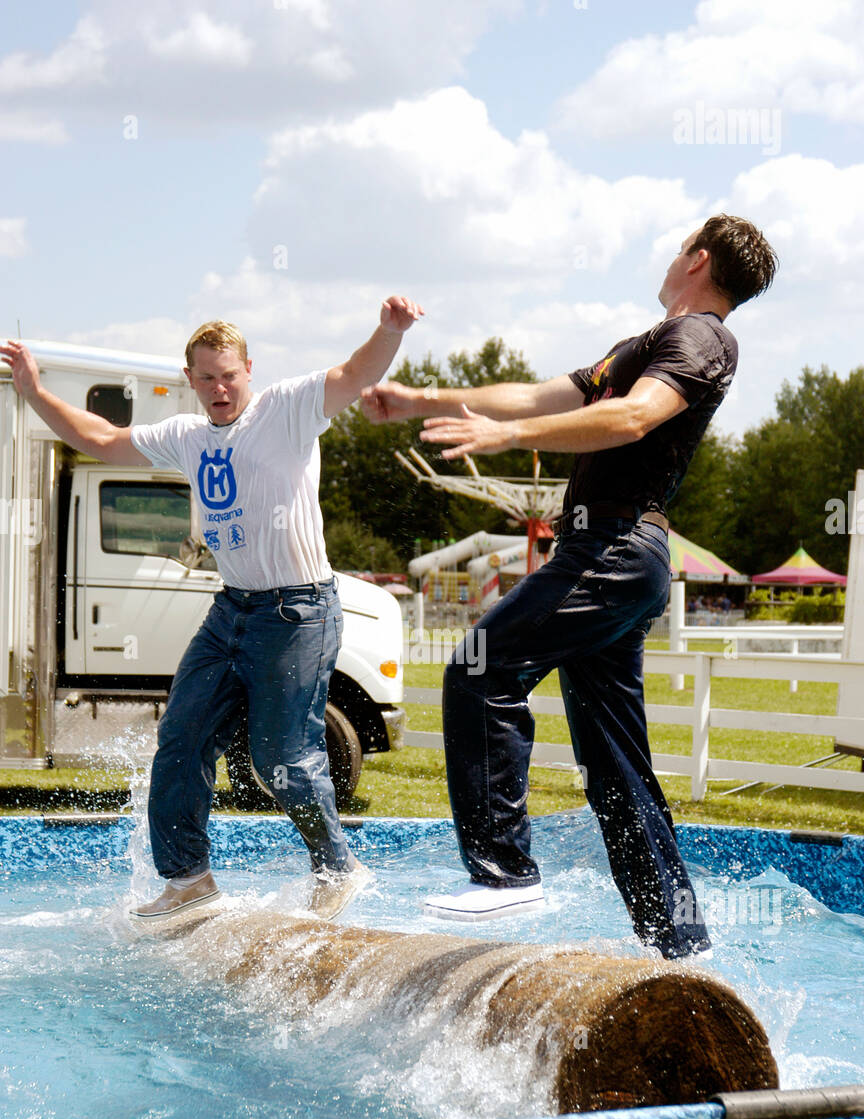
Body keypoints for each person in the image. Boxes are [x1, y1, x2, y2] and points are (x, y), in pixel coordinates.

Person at [361, 215, 777, 959]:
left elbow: (632, 418)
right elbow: (540, 394)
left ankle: (503, 874)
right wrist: (423, 400)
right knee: (618, 769)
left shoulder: (701, 340)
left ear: (699, 258)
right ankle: (681, 947)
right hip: (613, 552)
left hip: (613, 548)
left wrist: (507, 442)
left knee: (480, 670)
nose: (671, 252)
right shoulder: (645, 343)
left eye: (680, 243)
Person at [1, 296, 423, 922]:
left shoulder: (285, 410)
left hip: (298, 611)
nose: (220, 387)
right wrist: (33, 390)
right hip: (231, 611)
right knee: (180, 737)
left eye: (229, 374)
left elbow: (355, 375)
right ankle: (189, 879)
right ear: (190, 380)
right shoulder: (186, 436)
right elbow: (103, 439)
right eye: (206, 377)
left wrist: (388, 332)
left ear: (248, 369)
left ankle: (338, 866)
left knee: (279, 757)